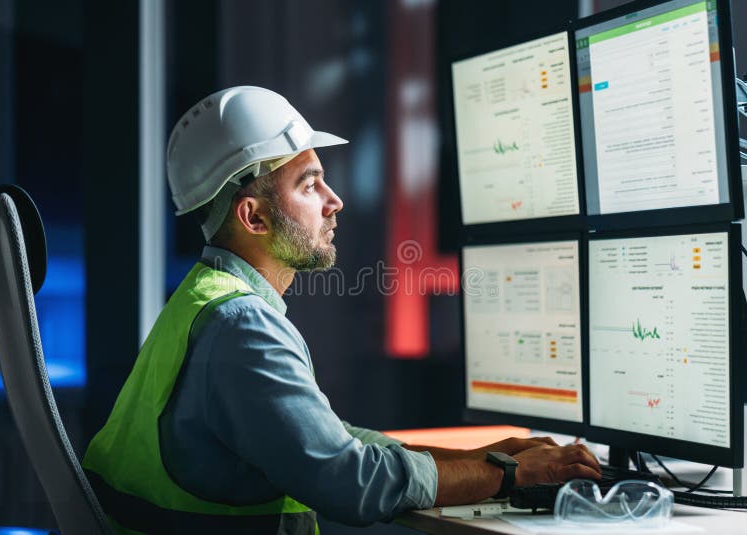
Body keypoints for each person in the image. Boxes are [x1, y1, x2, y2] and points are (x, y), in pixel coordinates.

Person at [82, 86, 601, 534]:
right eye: (309, 184)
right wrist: (515, 475)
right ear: (253, 217)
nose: (334, 201)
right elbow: (351, 481)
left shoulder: (204, 301)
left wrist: (479, 459)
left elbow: (330, 441)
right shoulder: (242, 327)